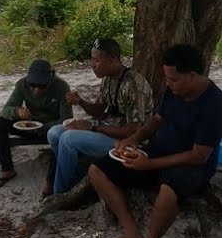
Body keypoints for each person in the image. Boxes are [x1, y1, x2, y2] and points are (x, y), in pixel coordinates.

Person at [87, 44, 222, 238]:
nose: (168, 84)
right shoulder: (173, 91)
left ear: (192, 76)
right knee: (97, 170)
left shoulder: (215, 106)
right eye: (167, 78)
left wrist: (148, 165)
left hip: (190, 167)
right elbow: (156, 120)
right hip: (156, 155)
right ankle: (132, 233)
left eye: (173, 79)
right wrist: (132, 140)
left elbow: (198, 155)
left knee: (167, 191)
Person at [44, 38, 153, 197]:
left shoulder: (133, 85)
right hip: (108, 130)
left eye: (97, 60)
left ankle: (60, 193)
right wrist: (80, 101)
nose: (92, 64)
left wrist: (93, 126)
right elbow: (99, 112)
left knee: (68, 139)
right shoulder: (108, 79)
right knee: (54, 133)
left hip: (129, 144)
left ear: (113, 59)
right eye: (92, 59)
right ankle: (74, 176)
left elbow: (133, 131)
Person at [0, 59, 71, 190]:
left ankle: (50, 183)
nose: (36, 89)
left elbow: (66, 119)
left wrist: (45, 127)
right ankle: (7, 169)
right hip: (28, 125)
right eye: (33, 85)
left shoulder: (62, 87)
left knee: (62, 137)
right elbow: (6, 110)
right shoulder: (22, 84)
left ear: (50, 80)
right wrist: (16, 111)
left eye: (42, 86)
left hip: (49, 130)